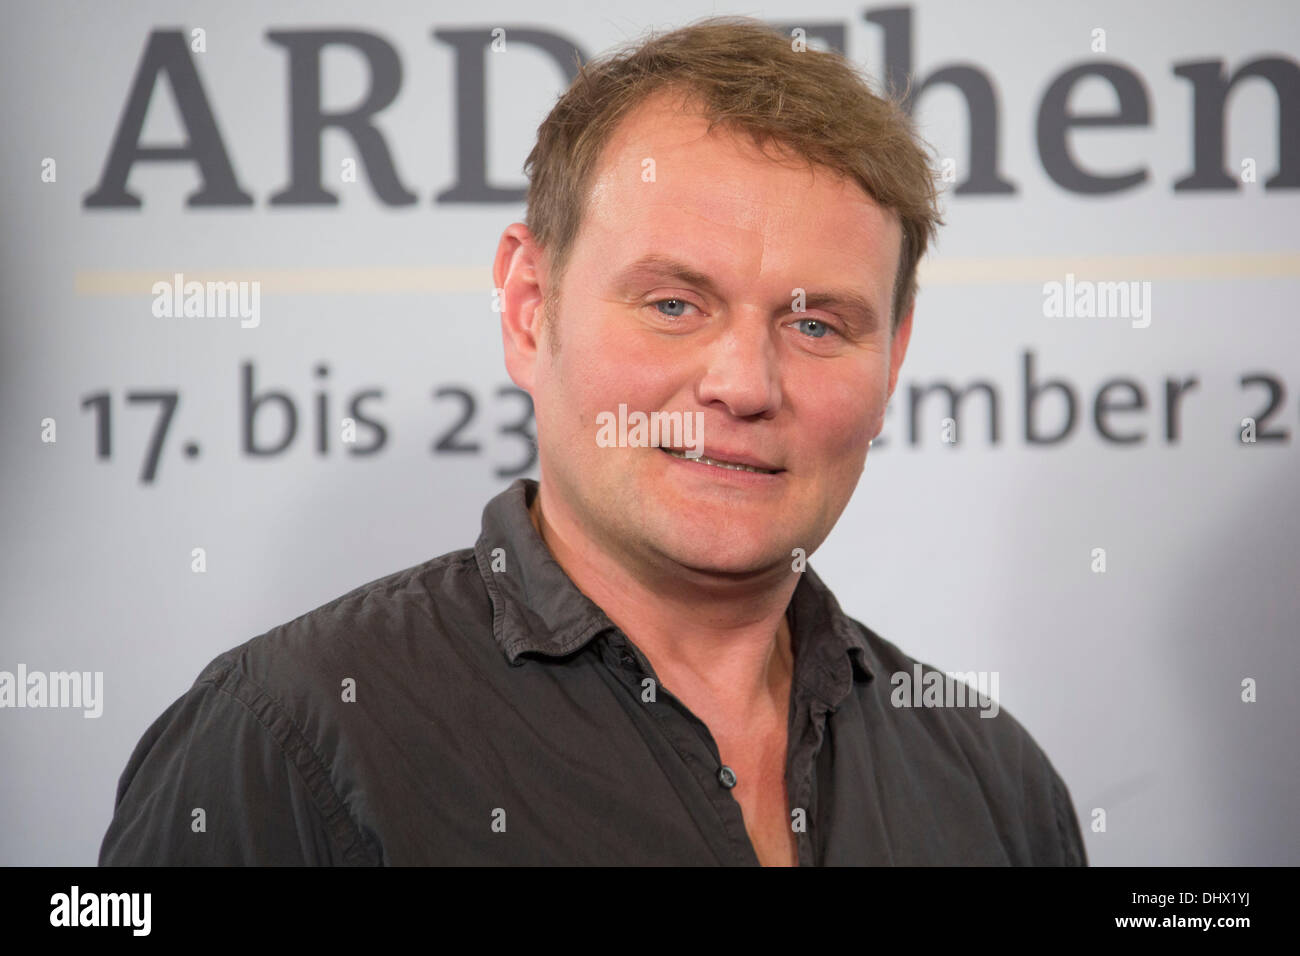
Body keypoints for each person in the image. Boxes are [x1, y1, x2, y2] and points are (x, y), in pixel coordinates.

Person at [100, 16, 1087, 866]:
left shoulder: (994, 785)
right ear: (531, 308)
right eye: (673, 304)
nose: (746, 385)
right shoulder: (287, 742)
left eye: (816, 324)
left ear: (893, 359)